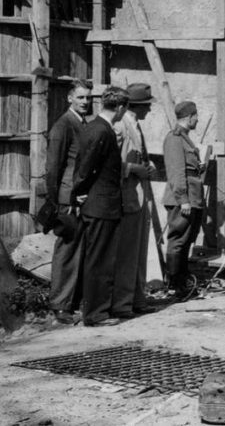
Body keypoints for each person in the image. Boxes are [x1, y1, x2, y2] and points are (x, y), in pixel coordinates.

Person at [72, 86, 129, 327]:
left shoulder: (94, 127)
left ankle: (96, 310)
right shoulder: (102, 131)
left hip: (99, 204)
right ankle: (96, 314)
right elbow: (85, 167)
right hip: (101, 205)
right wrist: (78, 193)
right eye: (124, 108)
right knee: (100, 260)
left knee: (99, 258)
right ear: (120, 108)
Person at [45, 79, 92, 324]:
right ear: (70, 98)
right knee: (67, 250)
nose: (85, 102)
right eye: (81, 97)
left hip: (80, 197)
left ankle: (73, 301)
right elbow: (53, 168)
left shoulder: (82, 123)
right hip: (68, 199)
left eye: (88, 98)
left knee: (79, 250)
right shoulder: (63, 125)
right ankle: (60, 305)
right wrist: (58, 201)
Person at [111, 83, 158, 318]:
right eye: (147, 105)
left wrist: (147, 165)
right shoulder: (119, 127)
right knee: (127, 253)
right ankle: (121, 304)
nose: (150, 110)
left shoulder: (135, 125)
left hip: (139, 195)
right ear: (136, 106)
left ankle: (137, 299)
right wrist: (136, 169)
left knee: (139, 251)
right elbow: (112, 165)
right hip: (127, 196)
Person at [162, 101, 205, 299]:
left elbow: (189, 169)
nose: (198, 119)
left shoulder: (185, 138)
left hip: (192, 198)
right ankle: (173, 285)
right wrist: (183, 200)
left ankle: (181, 282)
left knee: (186, 240)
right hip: (183, 199)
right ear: (189, 117)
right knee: (178, 241)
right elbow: (176, 171)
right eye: (196, 116)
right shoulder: (175, 138)